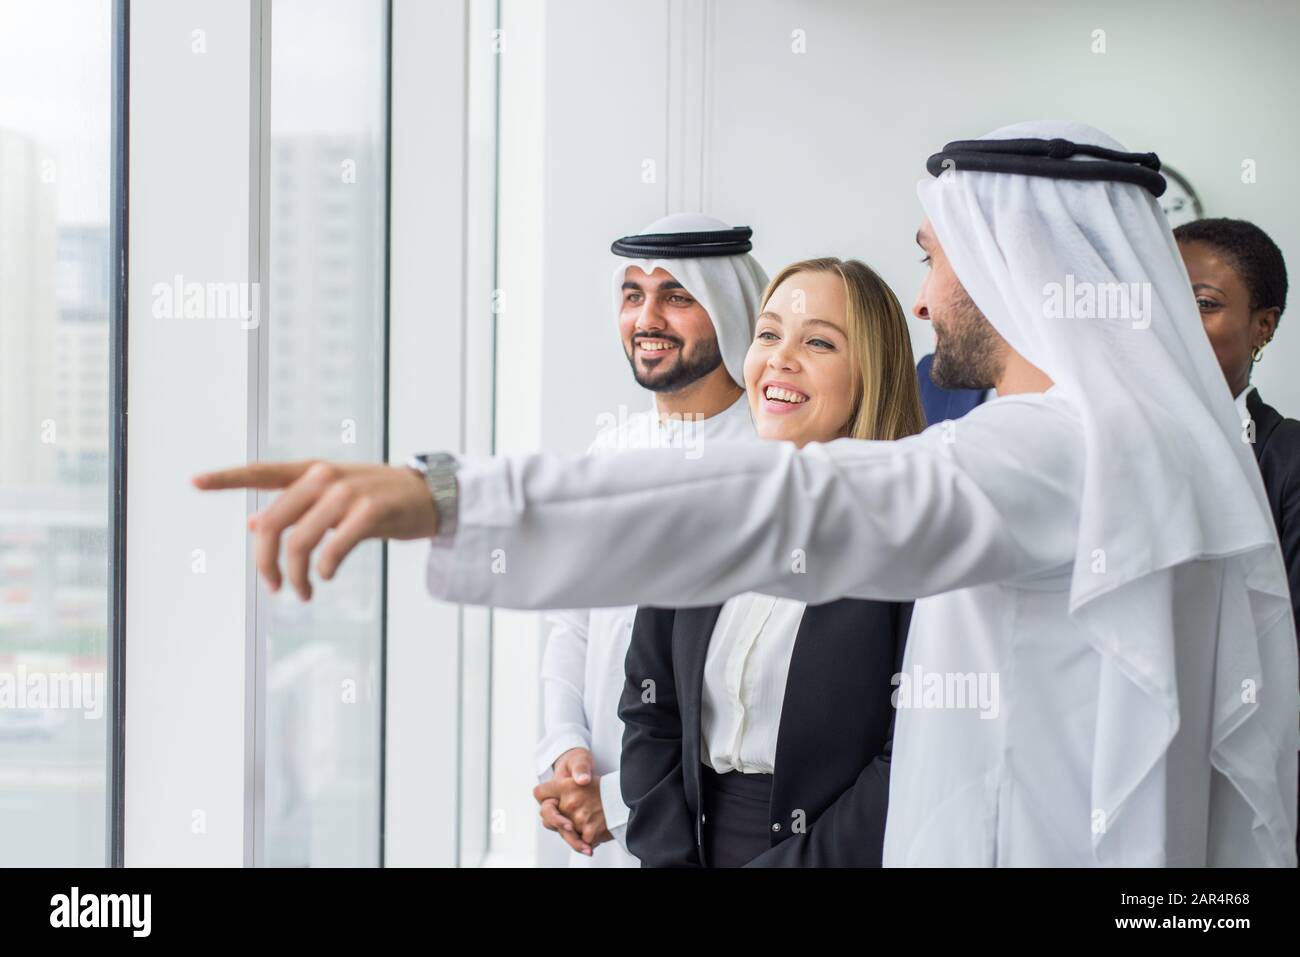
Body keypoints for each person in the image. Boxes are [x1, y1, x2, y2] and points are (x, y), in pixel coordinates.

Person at [194, 121, 1299, 866]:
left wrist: (446, 495)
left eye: (934, 260)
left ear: (1015, 261)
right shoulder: (1155, 438)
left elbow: (795, 511)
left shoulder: (1067, 448)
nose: (923, 303)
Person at [619, 257, 921, 867]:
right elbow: (648, 709)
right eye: (768, 334)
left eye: (817, 342)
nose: (780, 358)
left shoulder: (911, 540)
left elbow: (910, 754)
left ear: (871, 373)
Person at [532, 213, 766, 865]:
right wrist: (563, 748)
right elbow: (569, 627)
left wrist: (617, 796)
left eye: (677, 296)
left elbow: (743, 688)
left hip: (706, 831)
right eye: (633, 294)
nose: (647, 317)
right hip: (593, 823)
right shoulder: (608, 454)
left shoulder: (770, 465)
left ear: (728, 308)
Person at [1175, 216, 1299, 861]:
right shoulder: (1099, 450)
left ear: (1263, 327)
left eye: (1202, 304)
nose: (1174, 324)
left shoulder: (1290, 460)